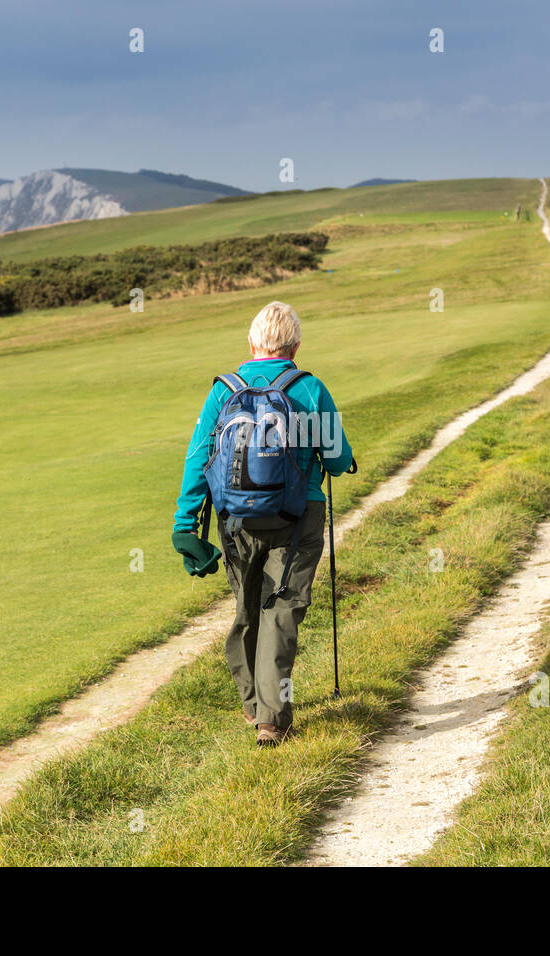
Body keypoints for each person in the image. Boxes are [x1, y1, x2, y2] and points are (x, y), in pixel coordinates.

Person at [172, 301, 354, 746]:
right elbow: (337, 457)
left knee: (247, 608)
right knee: (282, 609)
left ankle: (257, 706)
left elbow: (198, 460)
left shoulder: (222, 391)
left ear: (251, 344)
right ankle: (271, 718)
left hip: (235, 518)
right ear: (294, 347)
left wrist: (184, 526)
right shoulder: (309, 387)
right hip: (298, 515)